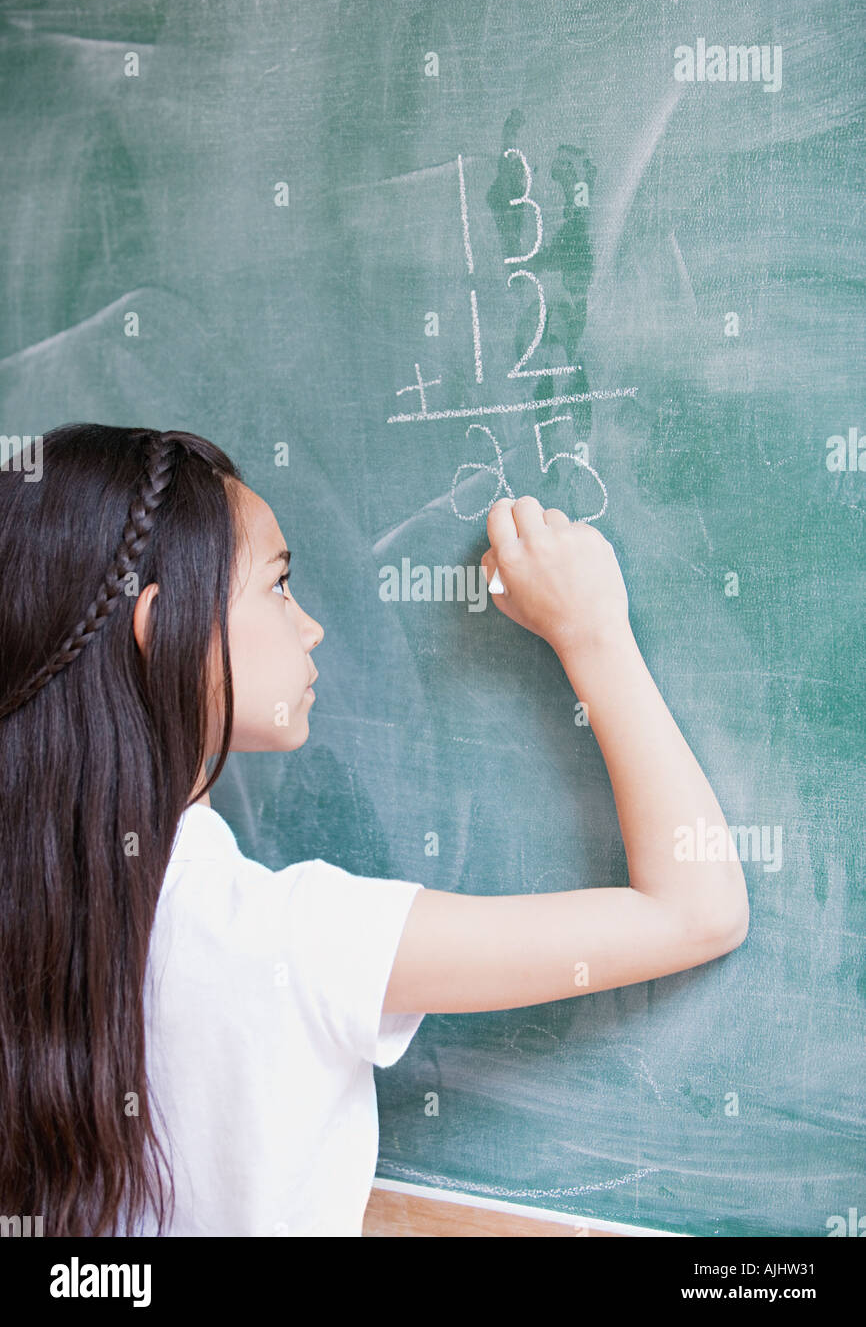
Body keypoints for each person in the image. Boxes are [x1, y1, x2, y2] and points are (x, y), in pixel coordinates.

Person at [0, 423, 748, 1237]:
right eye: (279, 588)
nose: (311, 625)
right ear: (161, 628)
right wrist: (592, 632)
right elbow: (696, 910)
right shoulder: (291, 940)